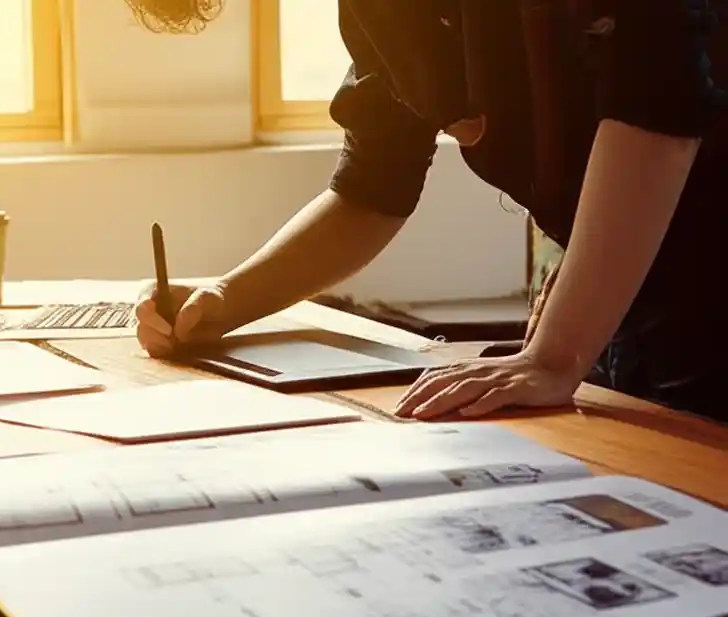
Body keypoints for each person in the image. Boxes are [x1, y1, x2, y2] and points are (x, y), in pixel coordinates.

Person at [129, 0, 728, 423]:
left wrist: (557, 352)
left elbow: (664, 105)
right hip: (629, 305)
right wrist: (229, 299)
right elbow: (372, 187)